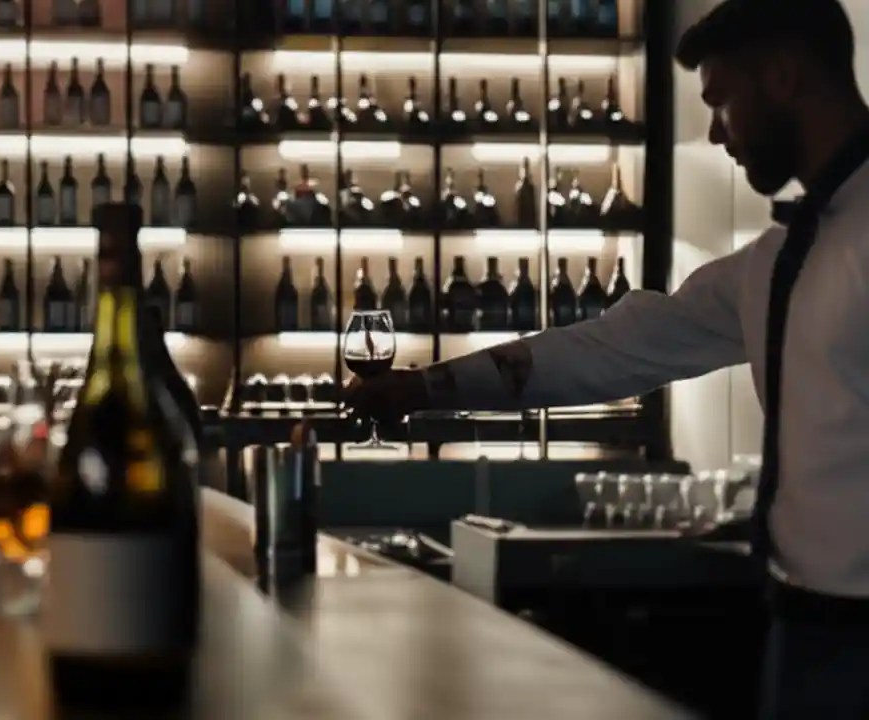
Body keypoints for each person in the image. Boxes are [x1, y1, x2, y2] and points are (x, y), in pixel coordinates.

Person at [344, 1, 869, 717]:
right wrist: (426, 389)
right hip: (795, 626)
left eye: (722, 101)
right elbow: (616, 347)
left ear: (782, 76)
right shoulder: (777, 261)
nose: (716, 133)